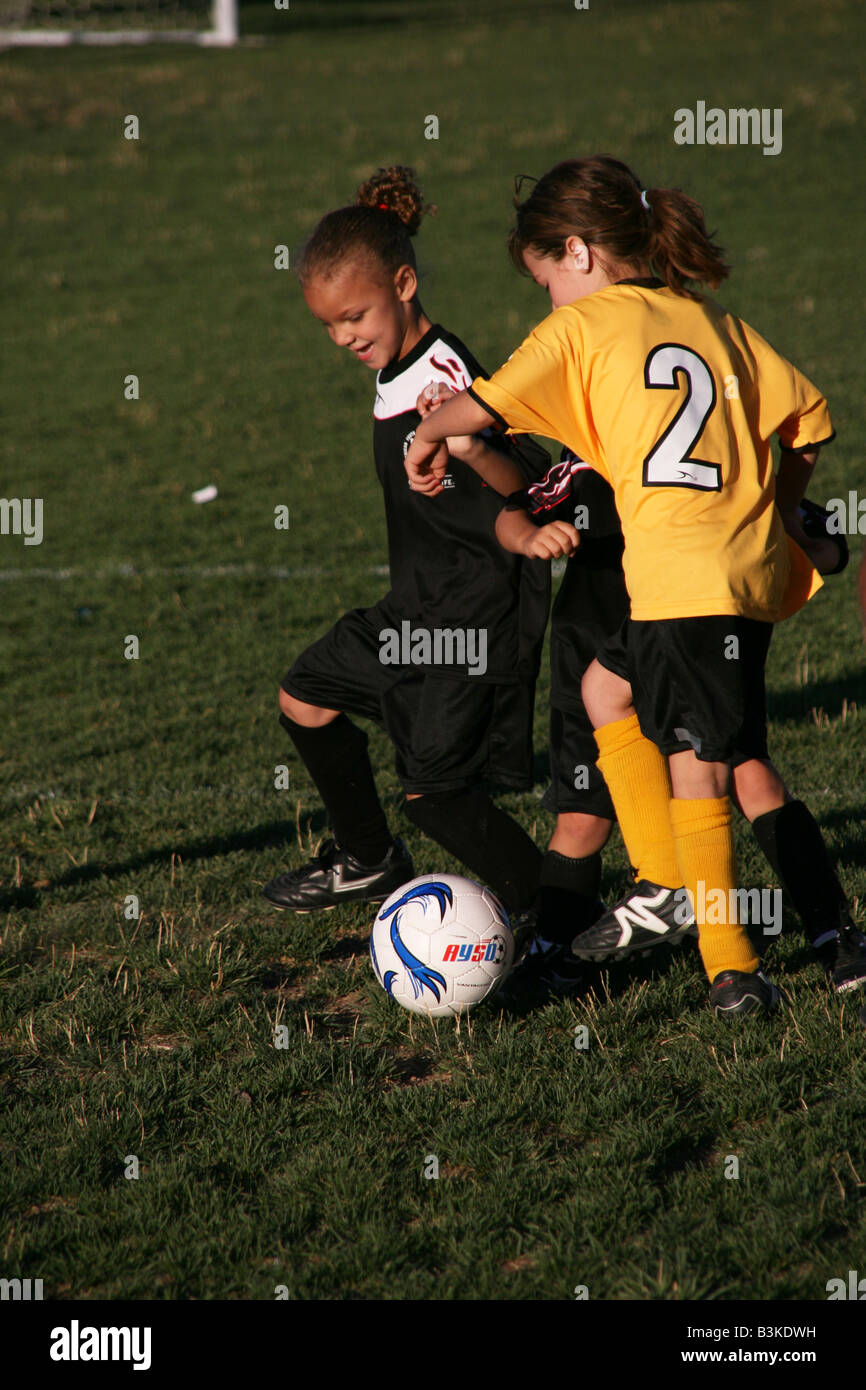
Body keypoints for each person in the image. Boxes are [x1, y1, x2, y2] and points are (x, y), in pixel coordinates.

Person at [403, 154, 865, 1017]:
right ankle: (751, 914)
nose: (548, 301)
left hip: (679, 582)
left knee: (702, 770)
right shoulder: (709, 319)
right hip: (735, 576)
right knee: (608, 688)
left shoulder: (583, 326)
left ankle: (727, 962)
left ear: (576, 252)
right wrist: (782, 509)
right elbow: (808, 419)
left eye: (545, 280)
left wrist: (427, 435)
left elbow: (485, 404)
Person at [263, 165, 550, 921]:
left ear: (403, 283)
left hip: (469, 616)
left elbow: (523, 479)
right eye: (328, 324)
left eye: (353, 315)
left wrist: (460, 445)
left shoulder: (445, 381)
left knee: (435, 793)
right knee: (306, 697)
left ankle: (553, 914)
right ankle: (366, 858)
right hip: (417, 607)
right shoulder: (401, 365)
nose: (343, 337)